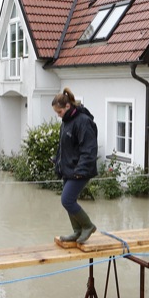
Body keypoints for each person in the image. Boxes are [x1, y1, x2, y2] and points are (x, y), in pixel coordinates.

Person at [52, 88, 99, 244]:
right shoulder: (66, 122)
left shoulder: (83, 121)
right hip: (68, 169)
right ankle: (77, 231)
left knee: (67, 200)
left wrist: (81, 171)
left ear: (67, 107)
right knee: (68, 201)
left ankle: (88, 226)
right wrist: (57, 160)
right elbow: (64, 146)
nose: (58, 115)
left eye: (59, 112)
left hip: (80, 170)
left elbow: (89, 149)